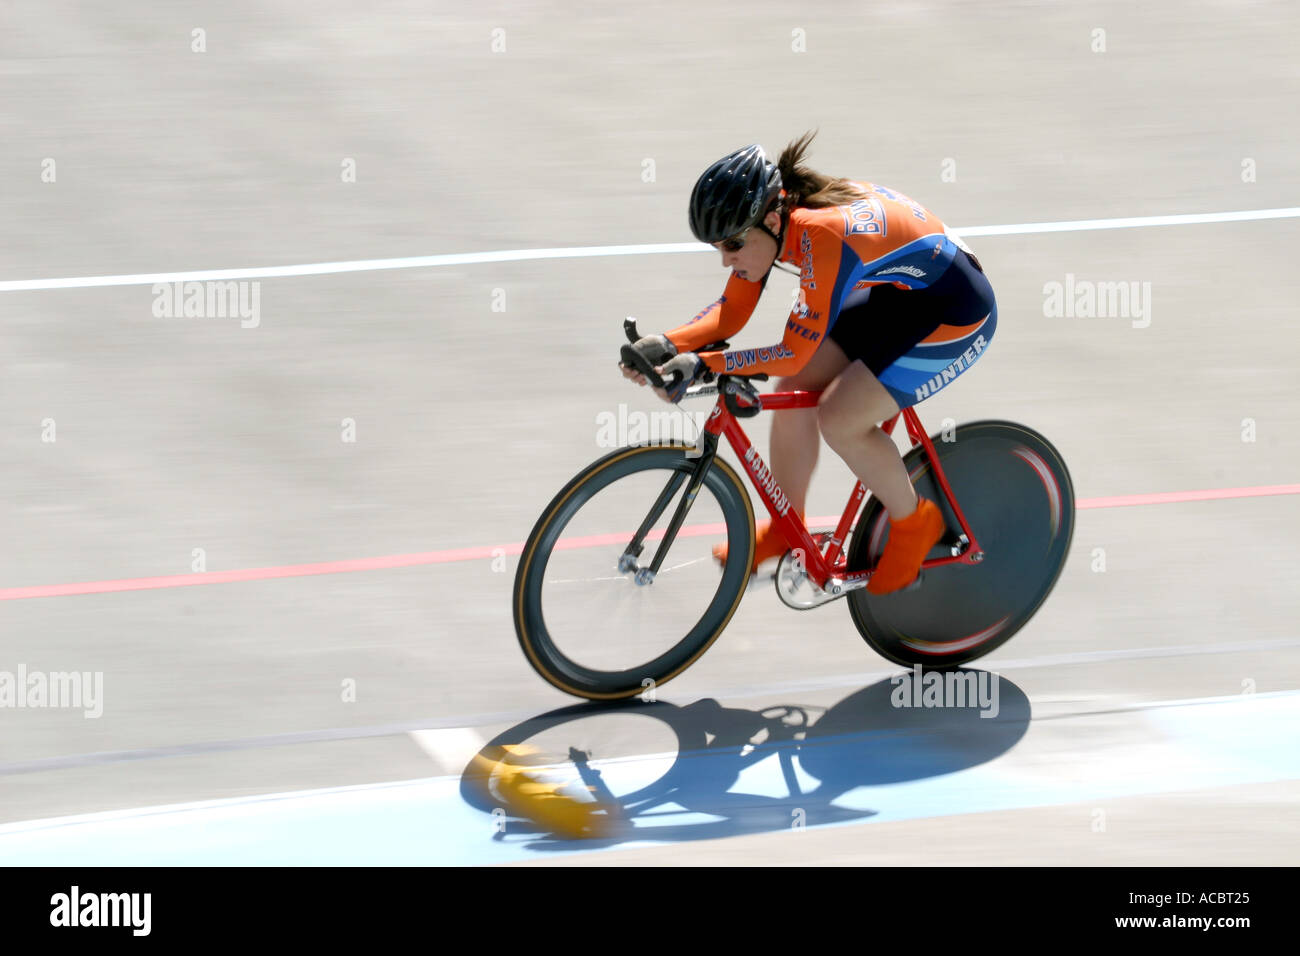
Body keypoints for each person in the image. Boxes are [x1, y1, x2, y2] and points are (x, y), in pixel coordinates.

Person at [620, 132, 996, 594]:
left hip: (954, 315)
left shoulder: (820, 236)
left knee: (840, 418)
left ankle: (915, 523)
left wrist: (705, 364)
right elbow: (732, 312)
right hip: (898, 295)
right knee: (792, 388)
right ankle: (786, 528)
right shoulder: (775, 225)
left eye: (733, 245)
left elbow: (791, 348)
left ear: (773, 219)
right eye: (719, 247)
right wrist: (667, 342)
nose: (727, 260)